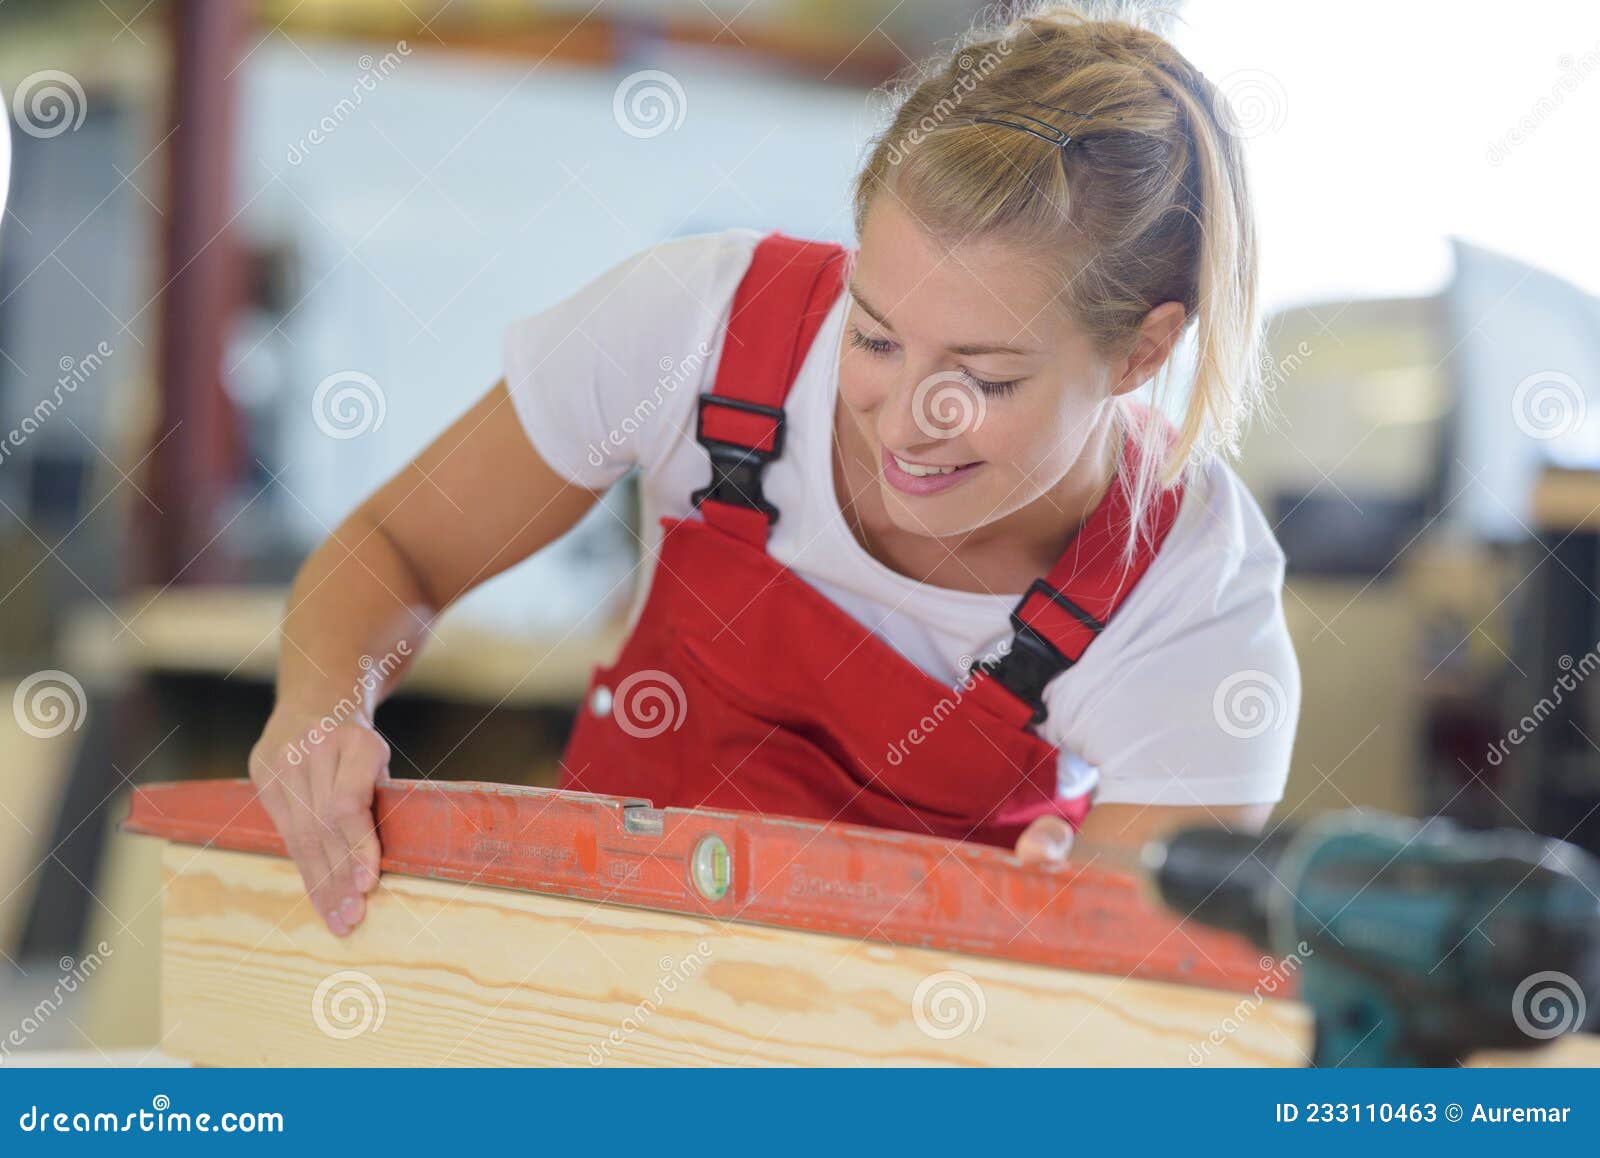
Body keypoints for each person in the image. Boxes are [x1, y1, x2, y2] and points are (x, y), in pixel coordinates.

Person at [250, 1, 1300, 937]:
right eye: (875, 336)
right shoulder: (697, 333)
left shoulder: (1188, 595)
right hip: (582, 1012)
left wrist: (1066, 945)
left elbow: (1135, 992)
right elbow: (394, 549)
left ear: (1141, 352)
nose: (906, 423)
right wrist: (324, 712)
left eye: (984, 377)